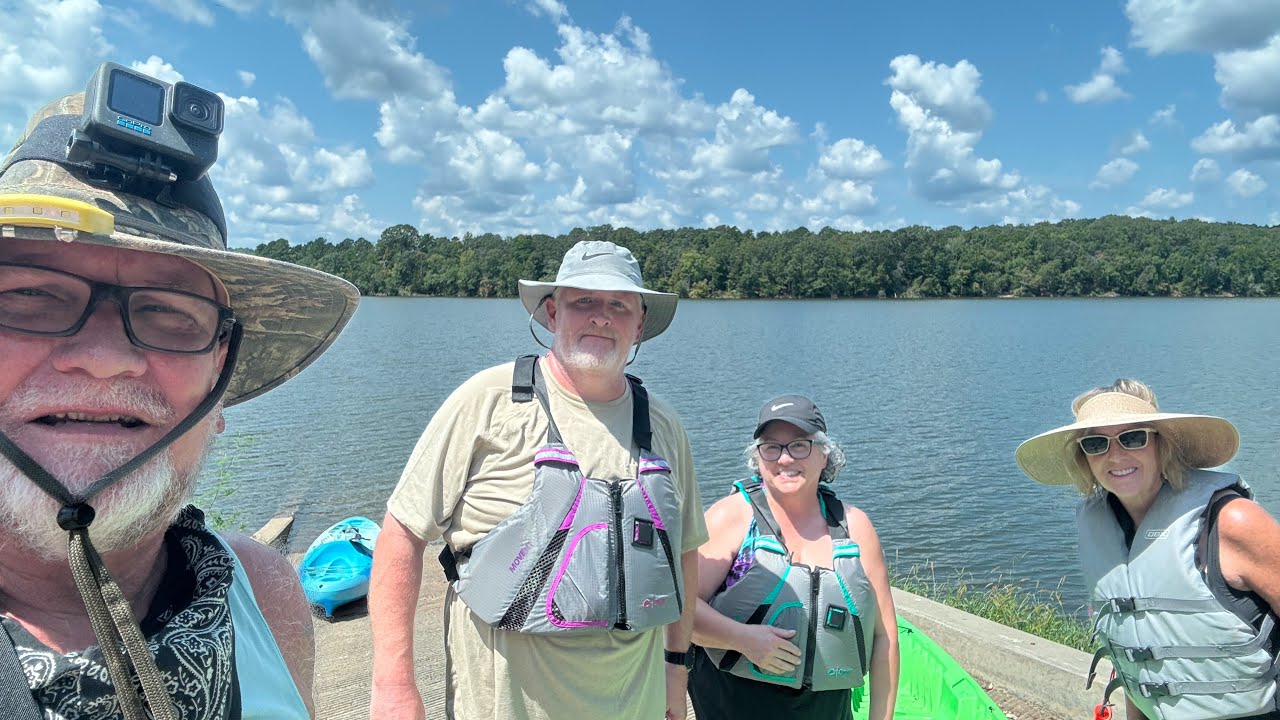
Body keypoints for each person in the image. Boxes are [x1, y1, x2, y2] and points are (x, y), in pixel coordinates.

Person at [0, 87, 358, 717]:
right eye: (31, 297)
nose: (104, 358)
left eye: (169, 312)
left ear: (221, 380)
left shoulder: (263, 593)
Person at [368, 240, 707, 720]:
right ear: (552, 313)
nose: (600, 317)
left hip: (638, 703)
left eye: (618, 305)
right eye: (583, 301)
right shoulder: (487, 401)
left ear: (639, 323)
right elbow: (401, 534)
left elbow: (685, 551)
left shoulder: (664, 427)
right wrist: (394, 685)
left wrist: (677, 670)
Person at [1016, 379, 1280, 720]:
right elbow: (1138, 653)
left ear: (1161, 443)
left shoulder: (1231, 521)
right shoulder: (1101, 528)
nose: (1116, 455)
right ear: (1083, 457)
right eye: (1095, 443)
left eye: (1133, 437)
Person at [689, 395, 899, 719]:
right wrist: (744, 639)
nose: (784, 459)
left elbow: (884, 637)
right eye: (771, 447)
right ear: (757, 457)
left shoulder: (855, 528)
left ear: (825, 453)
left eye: (799, 445)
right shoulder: (731, 518)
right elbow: (679, 610)